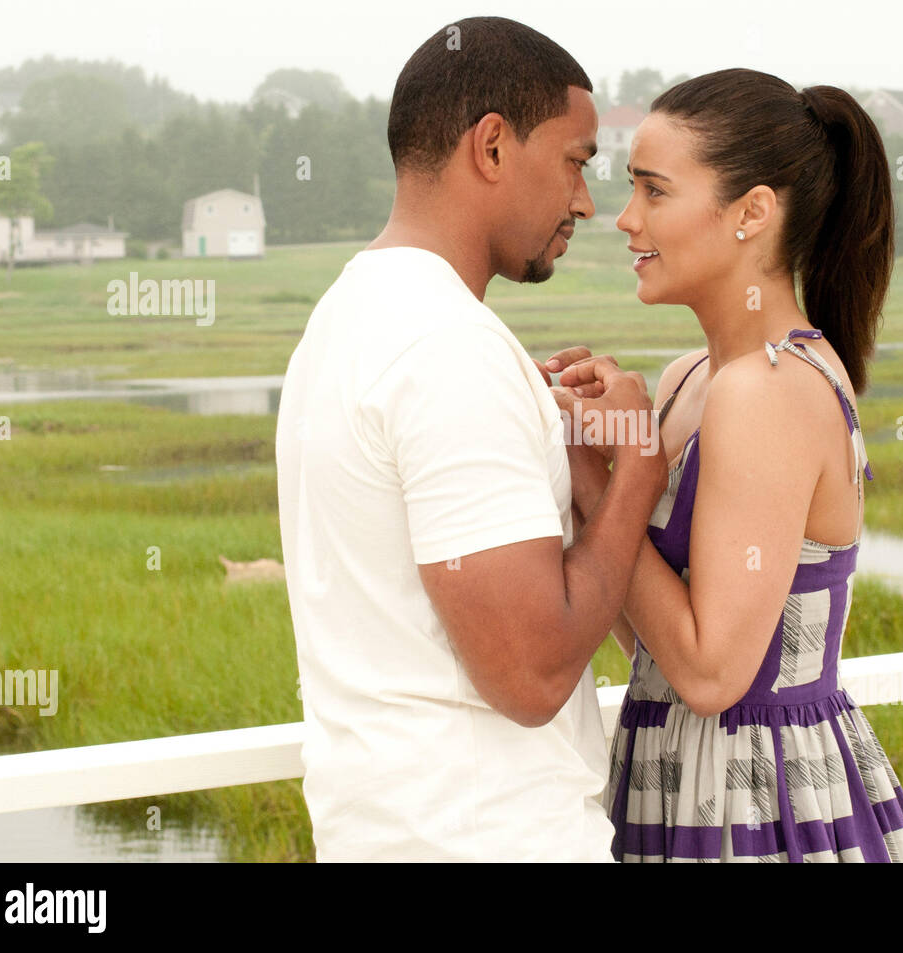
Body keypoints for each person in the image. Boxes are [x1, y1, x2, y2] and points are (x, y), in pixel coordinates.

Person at [275, 16, 667, 862]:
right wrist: (639, 462)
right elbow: (527, 675)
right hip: (491, 837)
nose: (586, 203)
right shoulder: (448, 346)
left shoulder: (343, 317)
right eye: (575, 161)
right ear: (491, 146)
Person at [558, 68, 903, 862]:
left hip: (756, 800)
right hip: (682, 779)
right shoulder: (690, 379)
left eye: (655, 192)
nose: (625, 220)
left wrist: (600, 478)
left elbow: (712, 675)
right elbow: (655, 644)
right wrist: (606, 456)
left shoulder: (769, 390)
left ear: (753, 213)